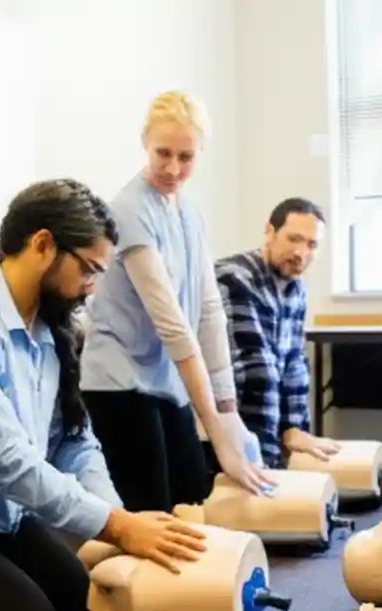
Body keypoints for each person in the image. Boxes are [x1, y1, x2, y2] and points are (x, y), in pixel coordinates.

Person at [0, 178, 207, 611]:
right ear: (43, 244)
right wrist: (118, 527)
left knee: (80, 604)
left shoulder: (46, 327)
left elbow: (75, 443)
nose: (90, 288)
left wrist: (117, 518)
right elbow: (12, 466)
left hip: (2, 519)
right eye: (88, 269)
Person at [79, 90, 273, 511]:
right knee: (154, 512)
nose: (172, 168)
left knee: (192, 499)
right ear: (143, 143)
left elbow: (207, 309)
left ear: (201, 152)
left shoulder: (188, 212)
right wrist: (217, 433)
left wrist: (227, 411)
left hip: (166, 381)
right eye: (162, 153)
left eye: (185, 157)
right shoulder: (128, 211)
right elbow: (174, 326)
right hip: (119, 384)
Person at [214, 197, 337, 470]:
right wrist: (276, 445)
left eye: (312, 244)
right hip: (226, 416)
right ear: (269, 231)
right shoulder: (234, 277)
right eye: (294, 239)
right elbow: (255, 367)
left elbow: (294, 366)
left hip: (262, 418)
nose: (301, 252)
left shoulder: (295, 288)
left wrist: (295, 428)